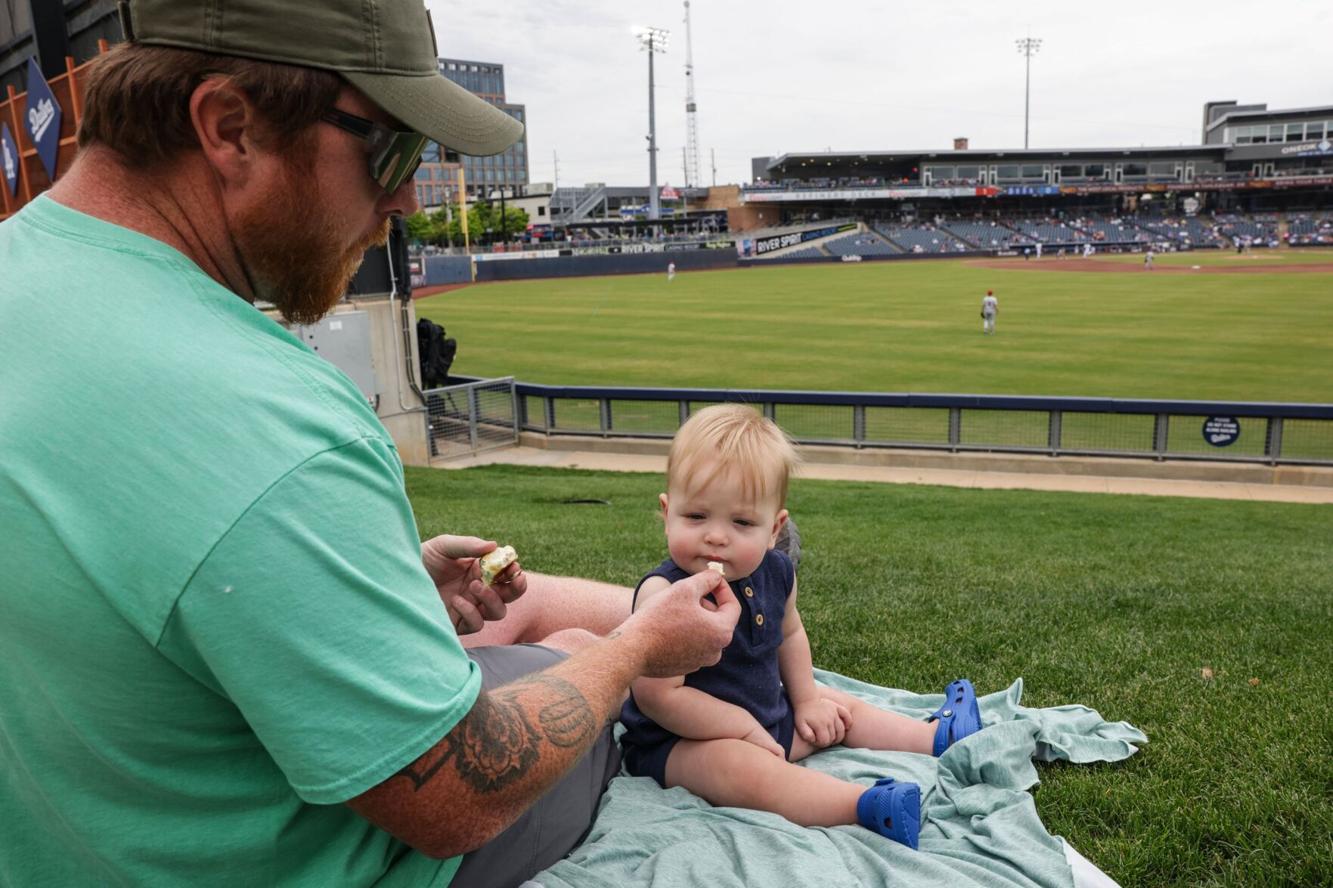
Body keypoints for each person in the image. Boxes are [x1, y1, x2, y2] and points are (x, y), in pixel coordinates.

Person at [0, 3, 741, 886]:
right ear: (229, 127)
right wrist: (630, 657)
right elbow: (454, 798)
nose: (401, 199)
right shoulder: (269, 416)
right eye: (391, 151)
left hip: (90, 825)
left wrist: (381, 582)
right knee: (578, 649)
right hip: (335, 858)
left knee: (525, 611)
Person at [618, 406, 983, 850]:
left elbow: (789, 634)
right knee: (740, 770)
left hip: (770, 716)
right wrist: (742, 728)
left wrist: (806, 701)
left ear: (774, 529)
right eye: (696, 517)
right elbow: (659, 698)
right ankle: (866, 806)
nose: (716, 536)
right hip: (679, 743)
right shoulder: (665, 595)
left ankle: (935, 737)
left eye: (742, 522)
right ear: (666, 511)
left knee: (836, 706)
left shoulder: (775, 572)